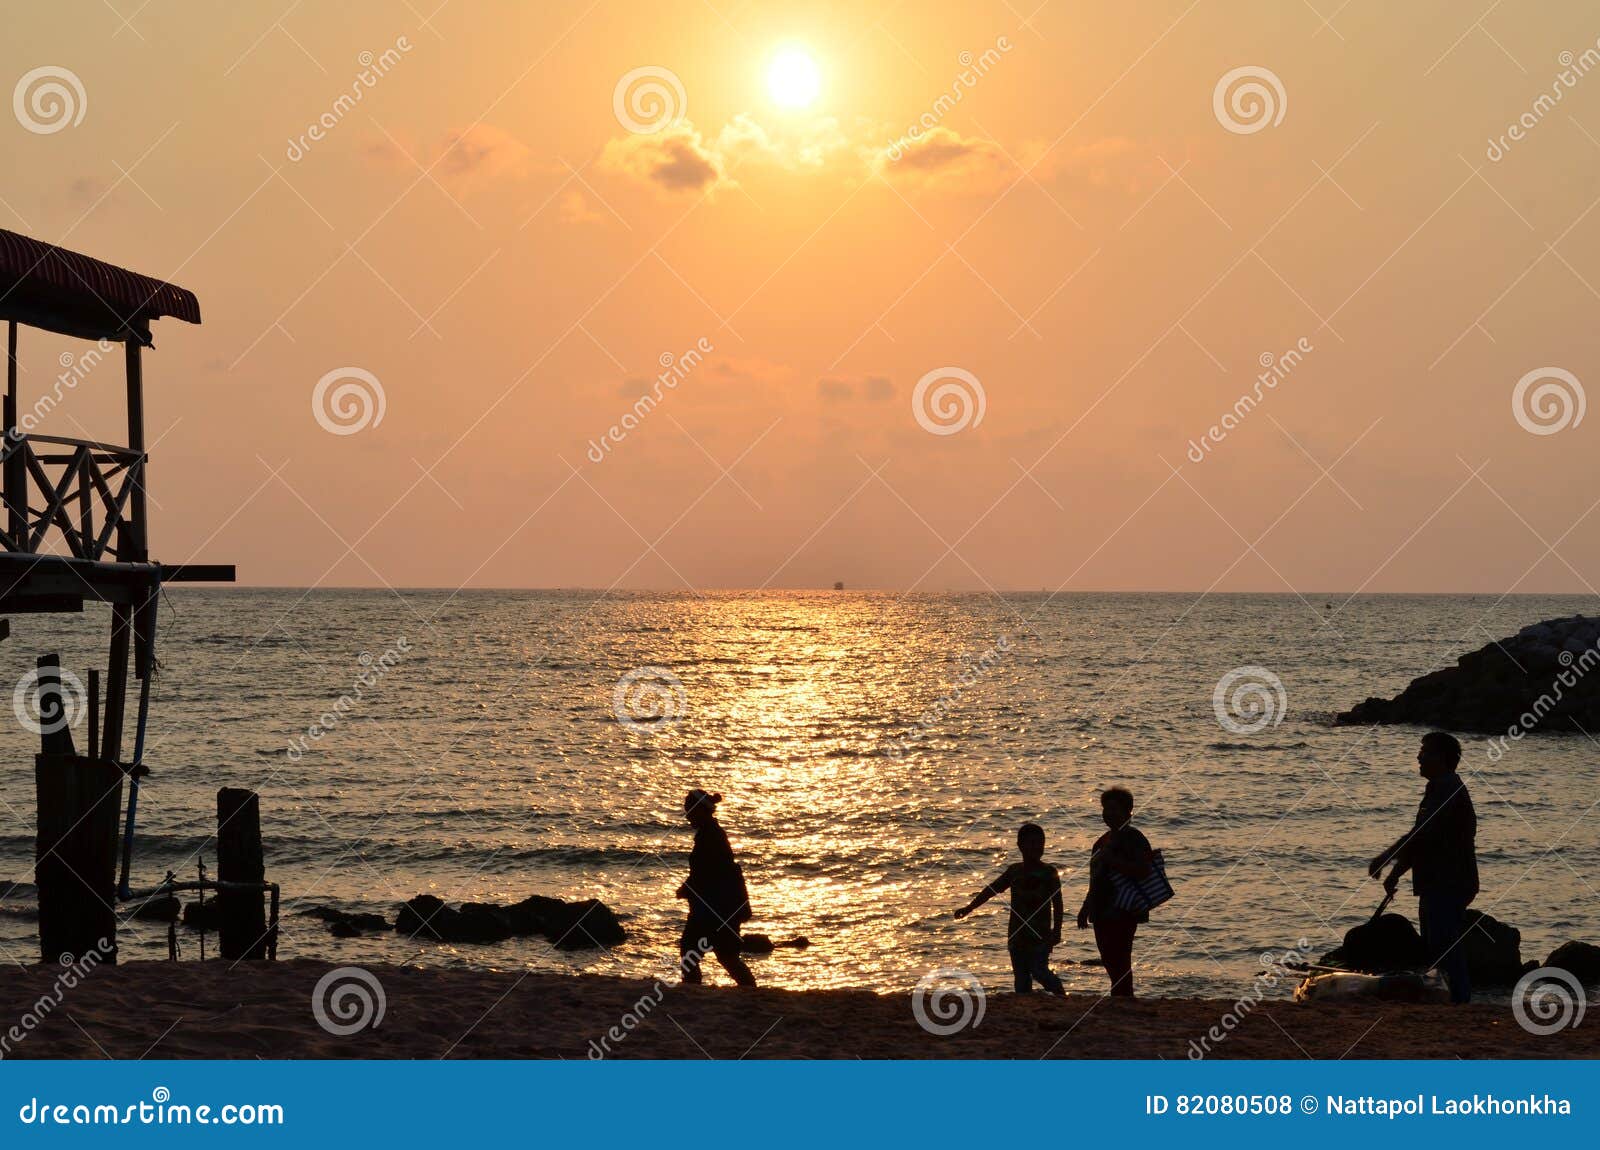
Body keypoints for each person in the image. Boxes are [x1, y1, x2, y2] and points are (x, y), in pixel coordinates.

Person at [1369, 731, 1477, 1003]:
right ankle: (1451, 1001)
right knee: (1437, 946)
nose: (1419, 757)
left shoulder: (1447, 789)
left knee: (1445, 947)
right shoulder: (1439, 788)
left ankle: (1460, 1002)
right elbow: (1423, 839)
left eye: (1425, 752)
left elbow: (1421, 835)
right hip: (1436, 880)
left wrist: (1386, 857)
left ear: (1441, 758)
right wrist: (1395, 872)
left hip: (1449, 881)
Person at [954, 823, 1065, 995]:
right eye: (1031, 843)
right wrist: (969, 908)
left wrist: (1056, 931)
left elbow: (1058, 904)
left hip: (1040, 934)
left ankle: (1060, 993)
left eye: (1040, 843)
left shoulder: (1049, 872)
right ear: (1020, 846)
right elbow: (992, 890)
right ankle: (1024, 1004)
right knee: (1021, 977)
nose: (1036, 847)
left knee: (1039, 970)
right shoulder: (1015, 871)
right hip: (1017, 934)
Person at [676, 789, 757, 987]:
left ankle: (693, 987)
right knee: (724, 955)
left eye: (690, 811)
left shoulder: (710, 837)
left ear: (701, 811)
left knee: (697, 951)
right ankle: (749, 990)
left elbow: (708, 873)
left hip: (714, 908)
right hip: (718, 907)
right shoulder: (710, 834)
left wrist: (688, 888)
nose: (687, 816)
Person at [1077, 787, 1152, 997]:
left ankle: (1123, 997)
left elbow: (1143, 870)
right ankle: (1120, 996)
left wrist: (1114, 862)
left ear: (1128, 812)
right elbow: (1095, 879)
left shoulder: (1134, 838)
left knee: (1120, 958)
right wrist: (1086, 907)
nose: (1108, 813)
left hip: (1123, 908)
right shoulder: (1102, 841)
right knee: (1110, 959)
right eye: (1105, 809)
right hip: (1101, 909)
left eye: (1113, 809)